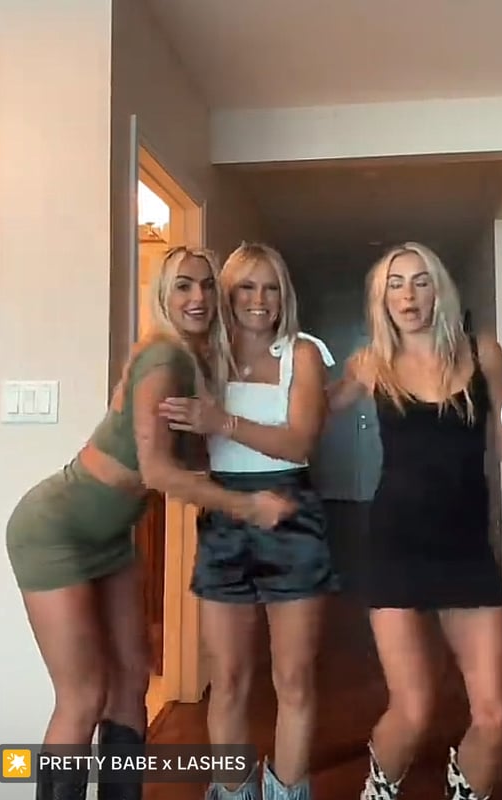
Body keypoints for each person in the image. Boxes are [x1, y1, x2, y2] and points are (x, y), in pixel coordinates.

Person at [5, 247, 297, 800]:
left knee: (133, 681)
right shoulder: (163, 358)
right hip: (54, 531)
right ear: (163, 295)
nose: (198, 297)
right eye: (183, 286)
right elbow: (159, 472)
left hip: (112, 537)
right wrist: (248, 507)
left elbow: (194, 458)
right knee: (83, 696)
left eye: (207, 286)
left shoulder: (193, 362)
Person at [329, 242, 502, 800]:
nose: (408, 295)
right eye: (395, 284)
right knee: (412, 711)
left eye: (420, 281)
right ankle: (380, 786)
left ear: (440, 290)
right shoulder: (370, 363)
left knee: (496, 716)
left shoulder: (483, 354)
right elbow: (308, 416)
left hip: (465, 550)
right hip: (396, 547)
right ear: (381, 299)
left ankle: (464, 789)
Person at [160, 243, 337, 800]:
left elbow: (300, 441)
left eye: (271, 288)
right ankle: (233, 791)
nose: (259, 300)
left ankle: (288, 791)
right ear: (226, 294)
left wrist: (223, 421)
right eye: (246, 287)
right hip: (223, 519)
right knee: (229, 680)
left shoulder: (302, 352)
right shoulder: (201, 356)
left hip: (293, 518)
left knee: (294, 679)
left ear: (284, 295)